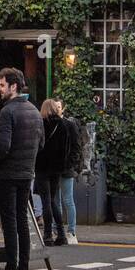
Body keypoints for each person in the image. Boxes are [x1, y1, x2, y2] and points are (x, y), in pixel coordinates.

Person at [0, 68, 43, 270]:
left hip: (8, 174)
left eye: (1, 85)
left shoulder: (7, 112)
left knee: (9, 223)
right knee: (22, 222)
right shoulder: (34, 111)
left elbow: (3, 147)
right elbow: (41, 143)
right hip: (27, 173)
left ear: (13, 86)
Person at [34, 99, 72, 247]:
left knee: (46, 201)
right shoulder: (63, 125)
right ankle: (61, 234)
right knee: (52, 200)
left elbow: (37, 146)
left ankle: (48, 234)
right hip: (56, 169)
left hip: (42, 167)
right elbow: (66, 148)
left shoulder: (41, 124)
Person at [57, 102, 85, 245]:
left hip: (66, 169)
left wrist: (70, 164)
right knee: (56, 201)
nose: (56, 110)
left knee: (67, 200)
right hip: (55, 169)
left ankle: (71, 231)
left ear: (63, 109)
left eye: (59, 107)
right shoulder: (50, 123)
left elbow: (76, 147)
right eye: (54, 107)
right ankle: (58, 230)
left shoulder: (69, 124)